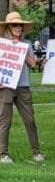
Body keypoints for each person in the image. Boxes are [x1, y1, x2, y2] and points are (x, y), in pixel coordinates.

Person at [0, 12, 45, 163]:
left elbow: (33, 63)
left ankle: (36, 152)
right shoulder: (2, 43)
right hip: (5, 87)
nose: (18, 27)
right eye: (15, 25)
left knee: (30, 120)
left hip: (23, 86)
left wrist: (20, 49)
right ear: (8, 27)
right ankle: (3, 154)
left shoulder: (26, 43)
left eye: (20, 25)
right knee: (5, 121)